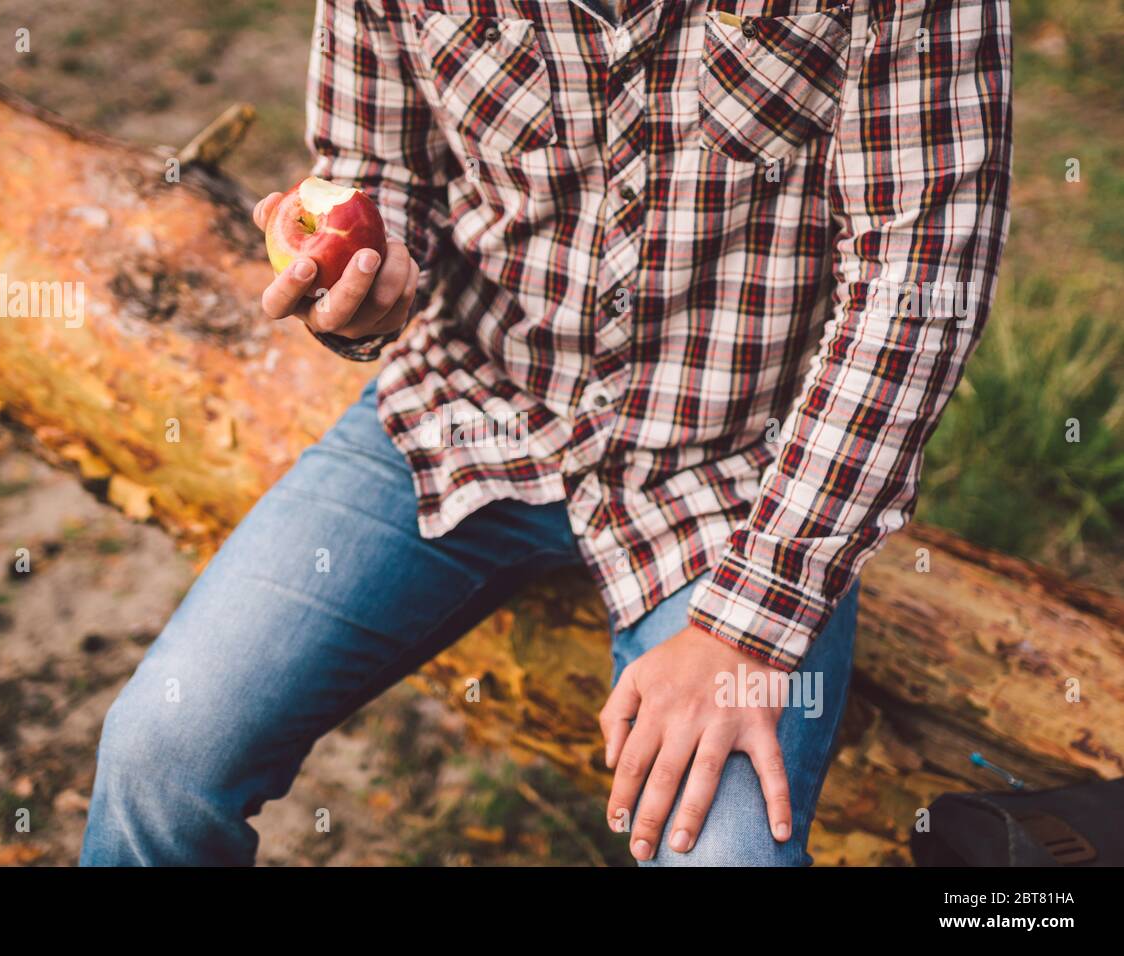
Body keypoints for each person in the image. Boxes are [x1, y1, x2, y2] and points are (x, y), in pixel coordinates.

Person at [81, 0, 1011, 866]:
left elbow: (916, 286)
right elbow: (380, 176)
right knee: (161, 754)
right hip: (466, 405)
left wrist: (747, 632)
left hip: (740, 471)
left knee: (728, 858)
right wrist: (365, 291)